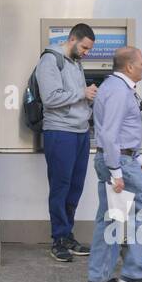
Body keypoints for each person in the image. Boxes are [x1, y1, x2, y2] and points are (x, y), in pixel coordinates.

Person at [85, 46, 142, 282]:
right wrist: (117, 171)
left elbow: (121, 133)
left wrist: (139, 159)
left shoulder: (113, 87)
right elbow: (108, 133)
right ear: (129, 66)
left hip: (122, 160)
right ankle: (134, 273)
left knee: (110, 218)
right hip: (117, 162)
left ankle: (99, 277)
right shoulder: (118, 90)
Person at [35, 23, 98, 262]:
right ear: (72, 39)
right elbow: (50, 98)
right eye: (84, 47)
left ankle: (68, 235)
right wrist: (83, 93)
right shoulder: (51, 60)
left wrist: (89, 99)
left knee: (75, 187)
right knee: (60, 187)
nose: (86, 52)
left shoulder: (75, 62)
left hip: (80, 133)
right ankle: (58, 239)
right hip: (60, 133)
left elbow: (75, 96)